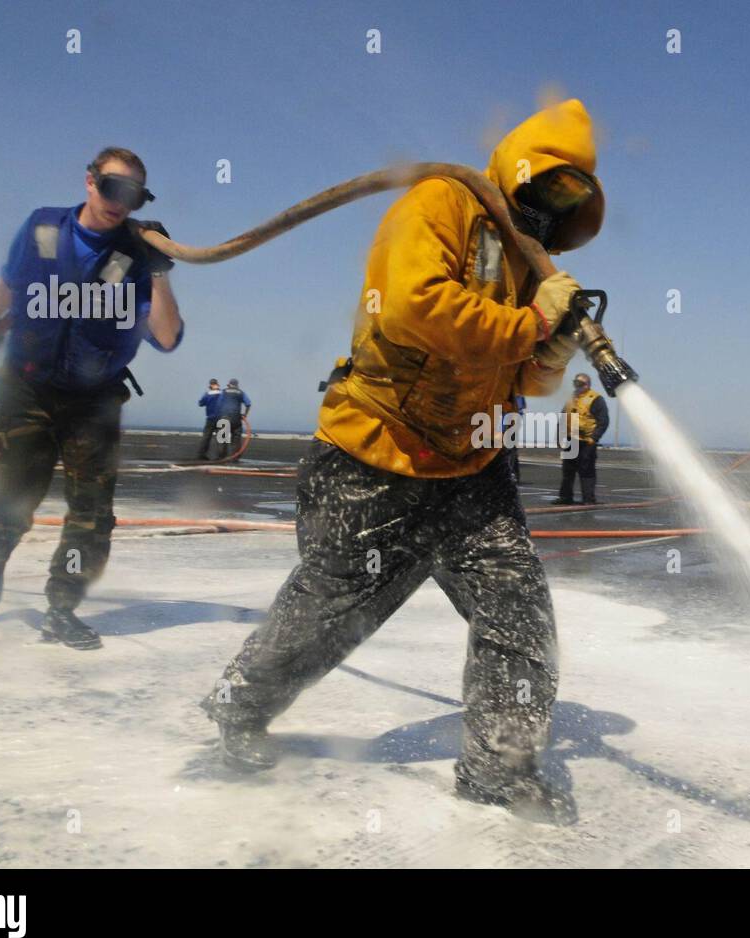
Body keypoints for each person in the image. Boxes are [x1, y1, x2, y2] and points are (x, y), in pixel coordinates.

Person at [200, 99, 605, 824]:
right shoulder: (443, 202)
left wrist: (556, 340)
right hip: (374, 453)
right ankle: (240, 708)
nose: (553, 209)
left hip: (472, 466)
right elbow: (415, 307)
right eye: (551, 187)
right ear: (520, 171)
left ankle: (499, 767)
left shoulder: (527, 265)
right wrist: (535, 320)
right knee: (330, 612)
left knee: (518, 615)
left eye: (571, 199)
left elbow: (528, 377)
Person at [0, 147, 183, 649]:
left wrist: (159, 270)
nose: (120, 203)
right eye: (112, 188)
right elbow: (11, 277)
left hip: (94, 399)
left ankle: (61, 607)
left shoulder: (135, 256)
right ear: (89, 182)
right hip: (29, 386)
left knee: (92, 514)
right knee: (13, 497)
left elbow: (169, 337)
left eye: (132, 195)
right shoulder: (44, 227)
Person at [552, 373, 608, 505]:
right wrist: (560, 436)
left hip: (587, 441)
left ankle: (588, 499)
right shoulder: (571, 399)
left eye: (579, 384)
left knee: (586, 470)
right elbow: (563, 418)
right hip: (572, 439)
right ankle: (565, 497)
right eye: (575, 383)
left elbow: (603, 421)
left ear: (587, 385)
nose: (576, 387)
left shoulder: (596, 399)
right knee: (567, 470)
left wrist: (594, 438)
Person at [214, 378, 251, 460]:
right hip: (236, 418)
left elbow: (218, 404)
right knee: (236, 439)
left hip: (224, 417)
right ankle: (235, 457)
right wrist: (245, 415)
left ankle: (221, 457)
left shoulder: (224, 392)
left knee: (222, 438)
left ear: (229, 384)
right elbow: (248, 404)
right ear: (237, 385)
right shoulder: (241, 392)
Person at [196, 378, 222, 460]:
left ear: (210, 385)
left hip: (210, 418)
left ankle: (201, 455)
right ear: (217, 384)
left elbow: (200, 403)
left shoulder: (207, 394)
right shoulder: (222, 394)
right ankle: (222, 456)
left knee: (206, 437)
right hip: (221, 418)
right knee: (222, 438)